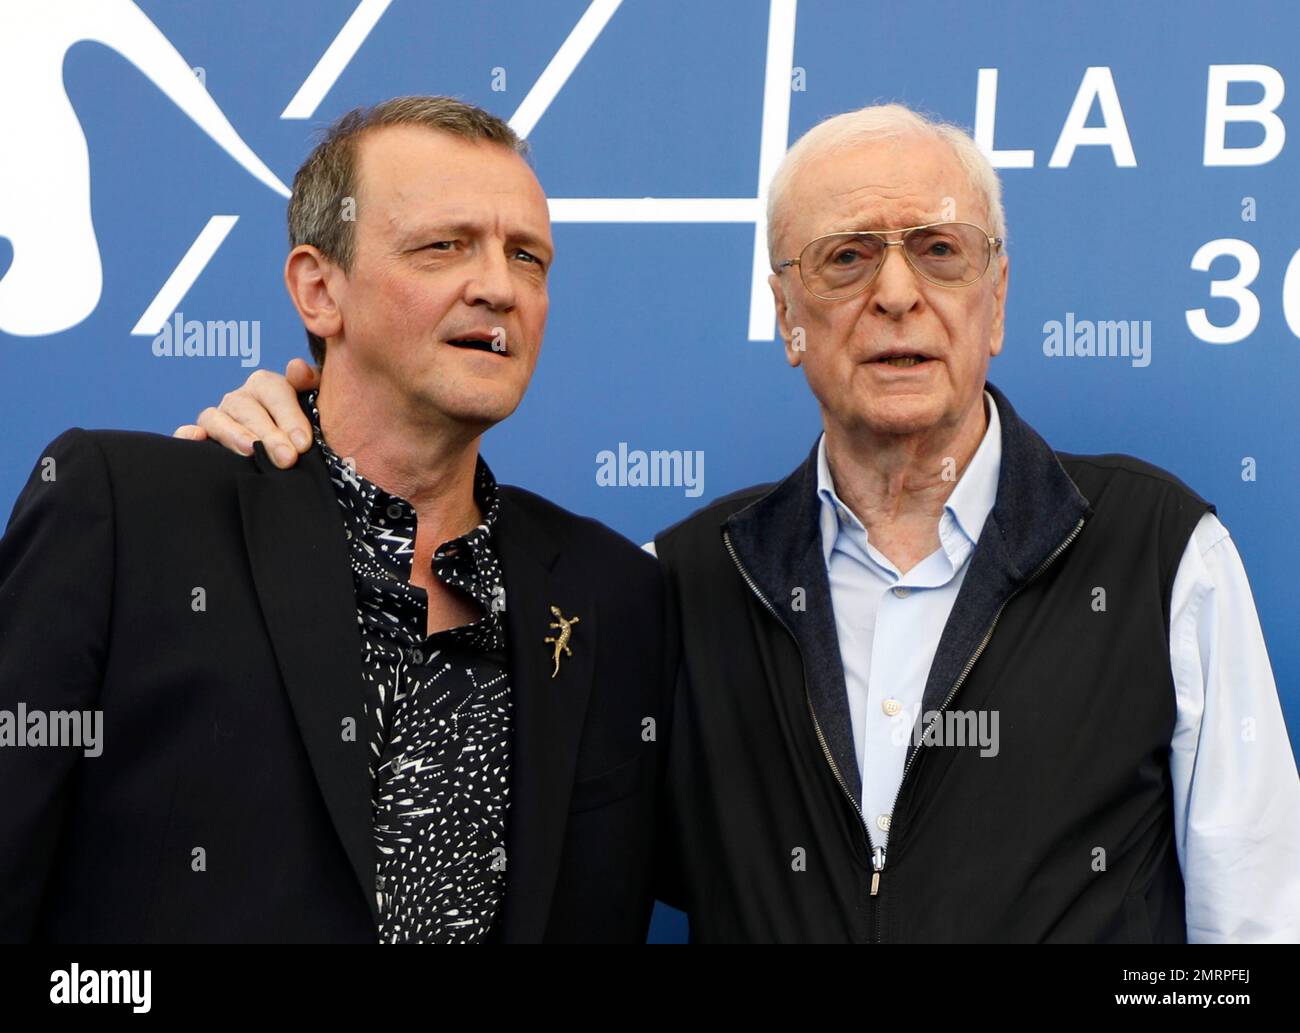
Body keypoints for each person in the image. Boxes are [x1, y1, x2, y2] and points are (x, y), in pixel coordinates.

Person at [180, 103, 1300, 943]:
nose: (898, 296)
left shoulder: (1157, 550)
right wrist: (293, 460)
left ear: (995, 299)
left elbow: (1255, 922)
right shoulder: (674, 587)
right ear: (784, 314)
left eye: (941, 250)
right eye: (847, 258)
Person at [0, 97, 671, 944]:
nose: (500, 287)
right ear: (320, 289)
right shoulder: (131, 514)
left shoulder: (615, 595)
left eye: (528, 258)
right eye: (444, 245)